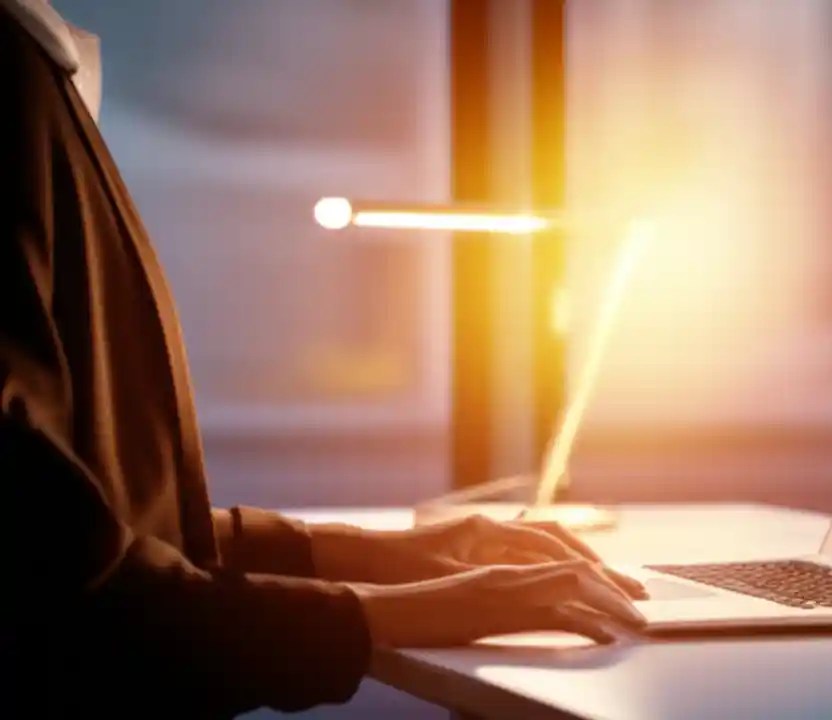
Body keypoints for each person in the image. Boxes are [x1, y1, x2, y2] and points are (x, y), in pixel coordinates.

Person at [0, 2, 647, 716]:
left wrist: (372, 555)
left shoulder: (27, 62)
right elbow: (64, 592)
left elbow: (86, 526)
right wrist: (396, 612)